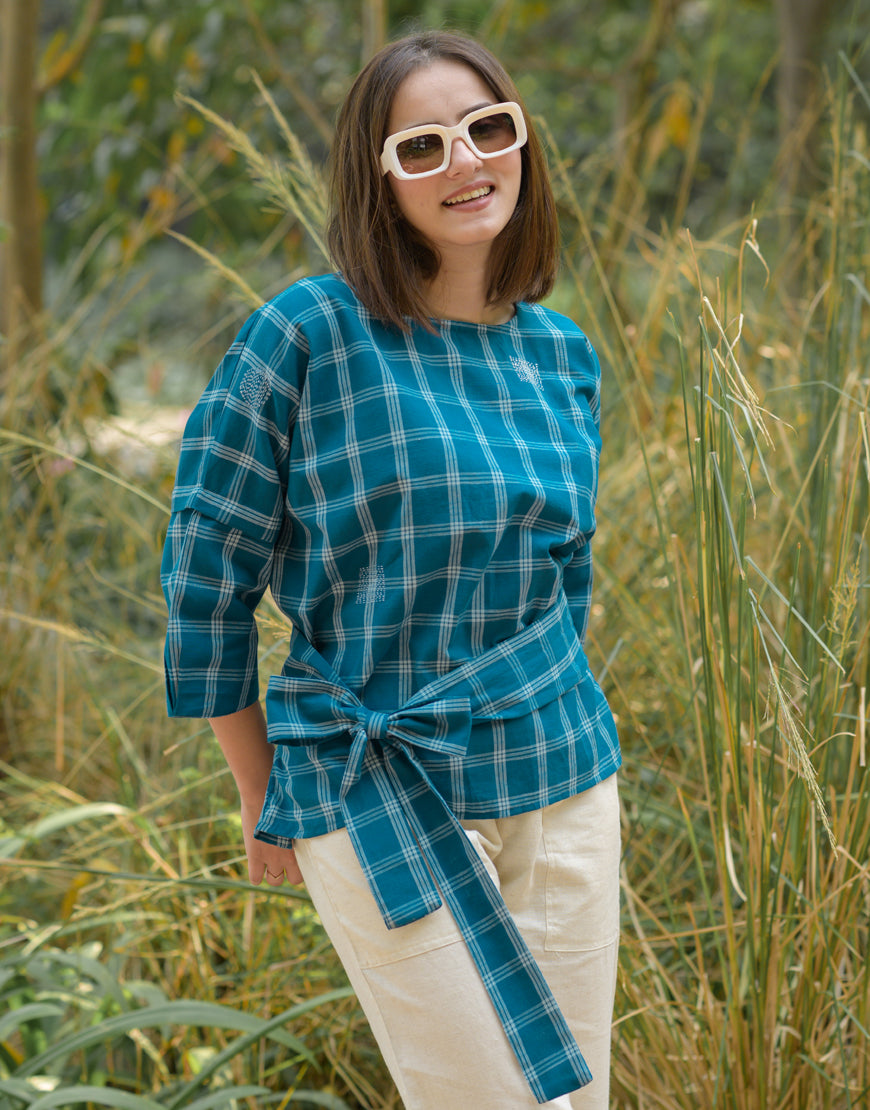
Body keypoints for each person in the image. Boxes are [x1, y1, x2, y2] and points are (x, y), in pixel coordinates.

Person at [161, 30, 621, 1110]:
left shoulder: (563, 356)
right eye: (422, 147)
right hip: (372, 780)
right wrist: (258, 782)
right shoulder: (309, 332)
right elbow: (204, 568)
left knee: (573, 1106)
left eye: (486, 129)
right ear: (380, 178)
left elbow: (568, 581)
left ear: (522, 145)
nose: (464, 162)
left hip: (561, 775)